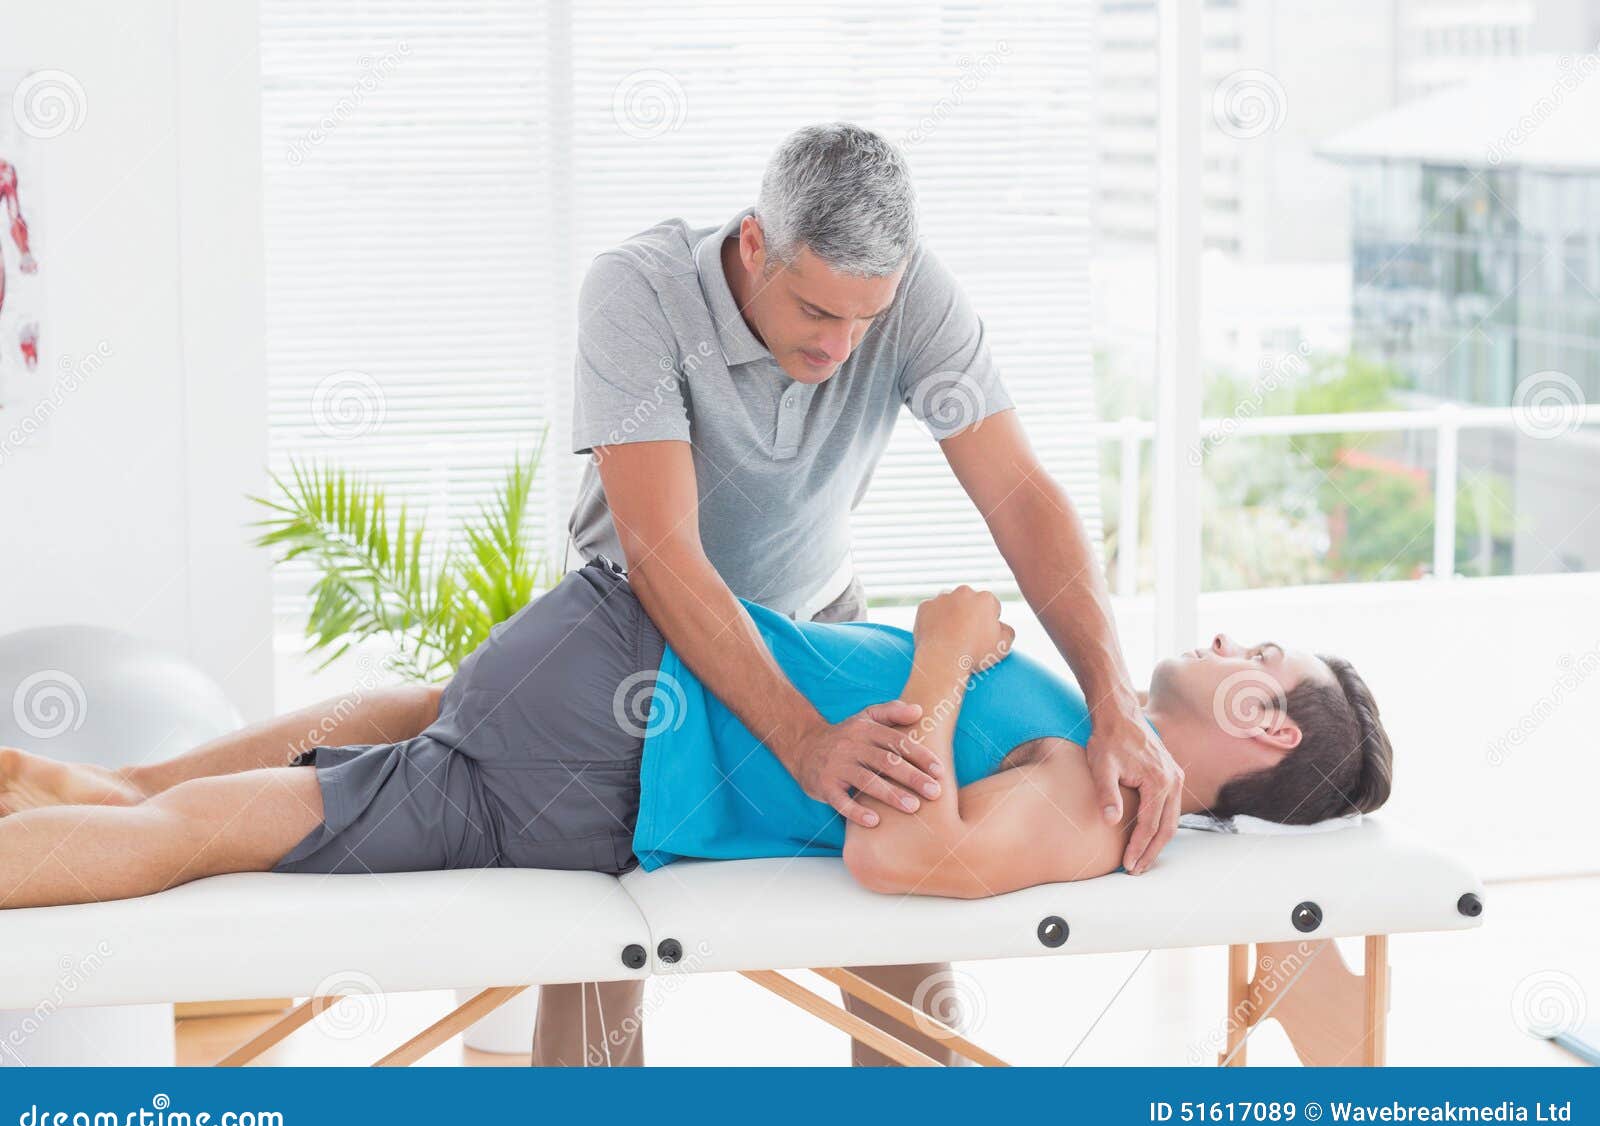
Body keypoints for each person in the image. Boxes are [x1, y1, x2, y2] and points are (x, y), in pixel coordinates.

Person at [553, 120, 1187, 1063]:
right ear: (756, 243)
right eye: (817, 311)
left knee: (902, 937)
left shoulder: (913, 296)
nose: (844, 345)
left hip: (821, 629)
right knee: (597, 945)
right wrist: (804, 741)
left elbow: (1020, 494)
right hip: (640, 649)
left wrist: (1114, 704)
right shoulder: (638, 292)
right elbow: (665, 556)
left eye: (867, 319)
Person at [0, 557, 1393, 947]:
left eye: (1263, 659)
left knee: (402, 726)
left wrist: (953, 641)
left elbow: (901, 850)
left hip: (614, 733)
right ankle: (110, 797)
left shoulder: (1101, 811)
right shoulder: (1101, 741)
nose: (1234, 640)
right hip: (629, 694)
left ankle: (96, 788)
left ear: (1264, 728)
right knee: (224, 831)